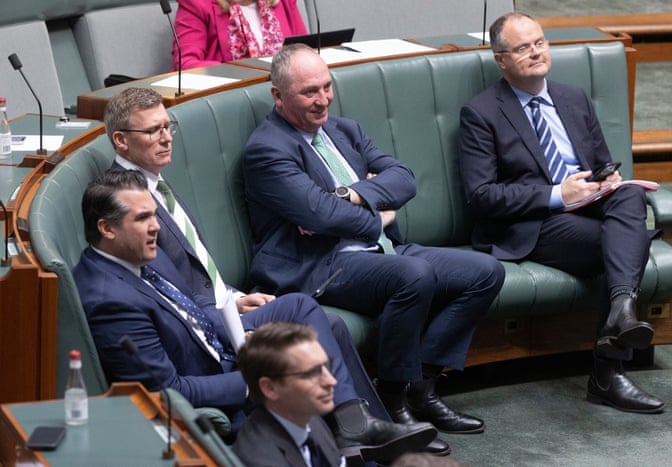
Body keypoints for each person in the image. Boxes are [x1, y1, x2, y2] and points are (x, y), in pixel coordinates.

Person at [99, 89, 436, 463]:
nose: (165, 138)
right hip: (207, 321)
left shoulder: (153, 183)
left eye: (168, 127)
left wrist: (233, 295)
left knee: (332, 327)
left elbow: (194, 268)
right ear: (121, 140)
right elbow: (170, 289)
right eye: (153, 131)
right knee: (306, 310)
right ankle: (359, 430)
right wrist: (226, 308)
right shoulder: (127, 203)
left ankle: (368, 438)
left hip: (222, 303)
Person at [243, 43, 506, 454]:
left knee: (485, 272)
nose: (323, 99)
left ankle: (423, 384)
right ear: (278, 96)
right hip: (321, 266)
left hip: (381, 250)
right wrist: (376, 213)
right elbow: (320, 216)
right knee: (413, 275)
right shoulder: (267, 150)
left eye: (327, 87)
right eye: (309, 91)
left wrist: (347, 194)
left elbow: (403, 179)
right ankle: (393, 400)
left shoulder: (345, 130)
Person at [458, 12, 664, 414]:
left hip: (592, 208)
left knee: (629, 197)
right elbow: (481, 196)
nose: (536, 52)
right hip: (537, 224)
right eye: (523, 48)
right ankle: (609, 369)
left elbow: (605, 162)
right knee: (623, 242)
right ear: (501, 59)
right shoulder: (481, 113)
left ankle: (619, 314)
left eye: (539, 42)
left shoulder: (573, 98)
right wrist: (556, 194)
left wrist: (607, 181)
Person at [233, 322, 347, 466]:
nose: (331, 381)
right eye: (311, 374)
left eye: (325, 366)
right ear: (270, 388)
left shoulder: (307, 417)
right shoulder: (259, 460)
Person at [173, 0, 308, 70]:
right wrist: (244, 71)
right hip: (230, 97)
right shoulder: (197, 4)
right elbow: (185, 64)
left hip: (286, 95)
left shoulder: (284, 2)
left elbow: (306, 51)